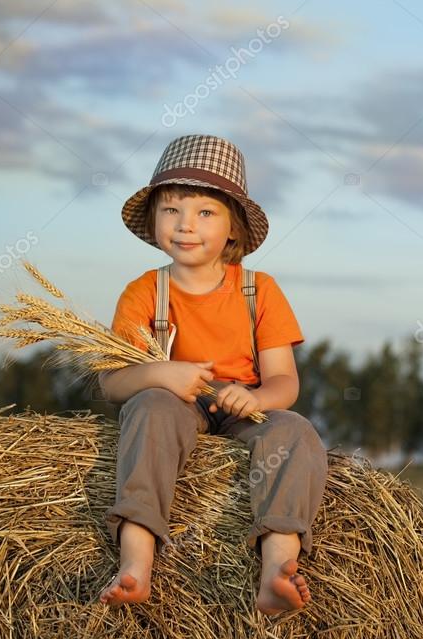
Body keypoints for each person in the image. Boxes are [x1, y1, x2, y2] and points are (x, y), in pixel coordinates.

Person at [95, 134, 327, 614]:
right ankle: (135, 564)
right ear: (154, 220)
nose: (185, 225)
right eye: (171, 210)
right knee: (150, 410)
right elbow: (112, 382)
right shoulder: (144, 292)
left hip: (242, 407)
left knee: (295, 432)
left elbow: (285, 380)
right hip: (173, 401)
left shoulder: (257, 290)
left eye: (205, 212)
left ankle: (276, 570)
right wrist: (160, 373)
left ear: (232, 229)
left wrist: (258, 400)